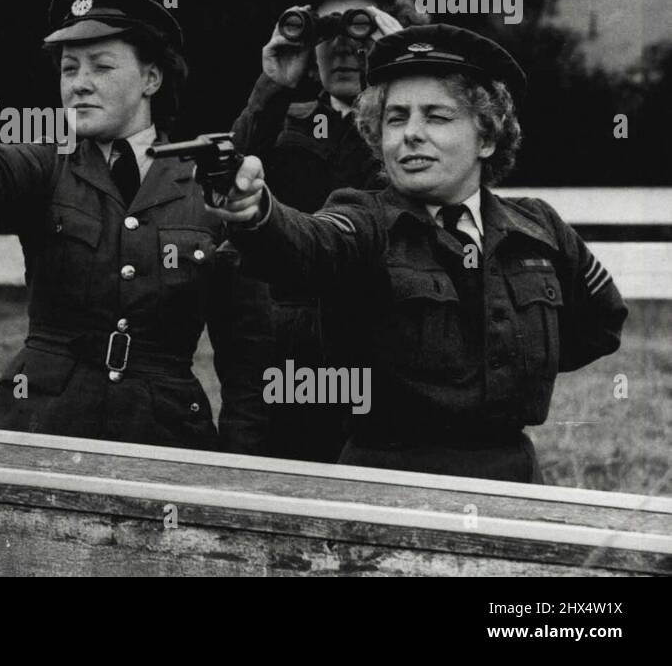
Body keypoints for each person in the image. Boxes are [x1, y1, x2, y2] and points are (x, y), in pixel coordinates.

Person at [212, 24, 626, 482]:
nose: (410, 134)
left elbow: (601, 322)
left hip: (513, 480)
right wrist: (257, 213)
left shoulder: (538, 227)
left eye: (436, 117)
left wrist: (500, 364)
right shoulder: (363, 217)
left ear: (486, 137)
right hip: (385, 482)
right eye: (396, 118)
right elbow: (306, 242)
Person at [0, 0, 224, 449]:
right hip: (44, 423)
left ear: (151, 79)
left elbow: (246, 339)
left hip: (163, 431)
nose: (79, 83)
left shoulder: (204, 184)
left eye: (100, 67)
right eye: (69, 68)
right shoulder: (46, 164)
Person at [213, 0, 422, 461]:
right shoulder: (284, 117)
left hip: (386, 352)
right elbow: (223, 180)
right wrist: (271, 87)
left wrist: (407, 70)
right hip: (283, 359)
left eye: (361, 29)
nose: (345, 49)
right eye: (327, 32)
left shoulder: (420, 133)